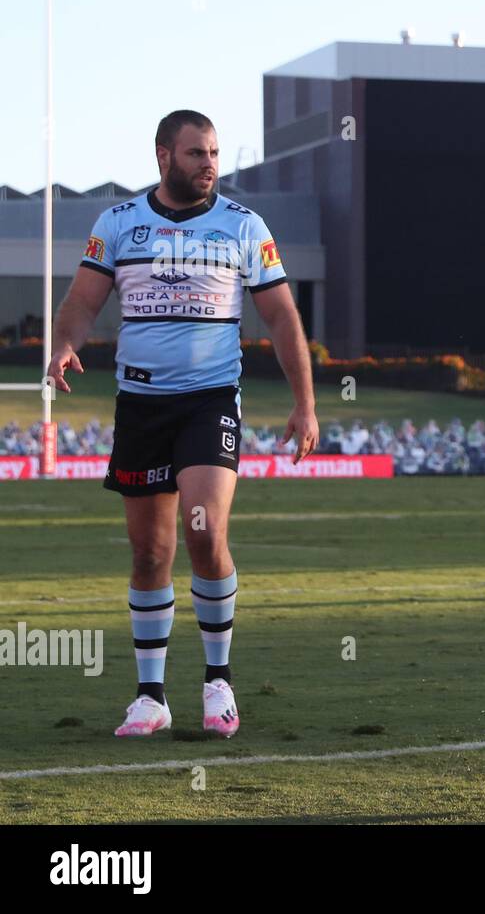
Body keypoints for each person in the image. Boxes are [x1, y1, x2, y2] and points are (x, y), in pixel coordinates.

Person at [46, 109, 319, 737]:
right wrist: (65, 343)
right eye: (196, 153)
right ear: (164, 155)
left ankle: (218, 683)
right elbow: (83, 302)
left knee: (202, 531)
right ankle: (150, 698)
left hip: (210, 401)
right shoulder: (117, 224)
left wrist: (304, 402)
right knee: (150, 552)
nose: (209, 165)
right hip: (140, 405)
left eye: (215, 154)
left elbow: (280, 317)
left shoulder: (244, 227)